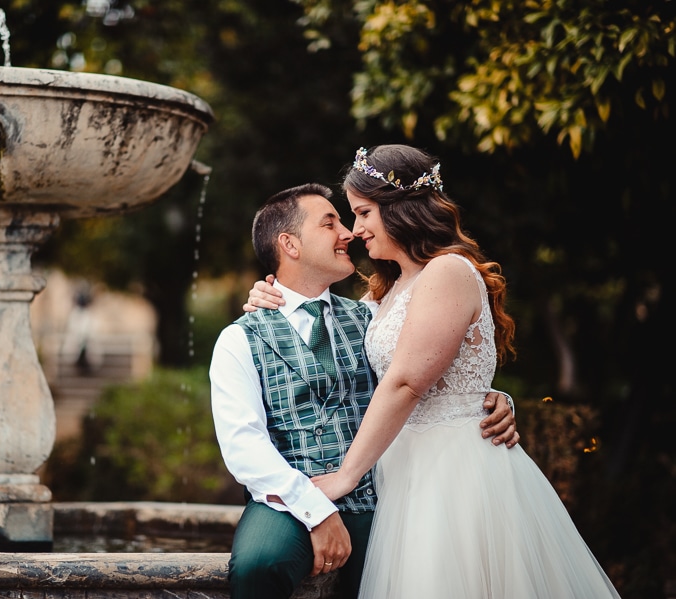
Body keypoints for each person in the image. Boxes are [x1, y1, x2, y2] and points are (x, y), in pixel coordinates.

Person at [249, 145, 620, 598]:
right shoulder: (386, 291)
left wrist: (345, 477)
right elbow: (347, 332)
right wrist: (270, 296)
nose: (356, 230)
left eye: (363, 213)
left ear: (400, 209)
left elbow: (407, 380)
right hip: (402, 469)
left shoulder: (447, 270)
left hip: (454, 469)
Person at [210, 183, 519, 599]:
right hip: (295, 492)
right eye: (330, 223)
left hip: (385, 492)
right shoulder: (239, 340)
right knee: (259, 564)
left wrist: (488, 396)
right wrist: (315, 511)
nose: (349, 233)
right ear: (290, 244)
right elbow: (243, 446)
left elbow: (428, 365)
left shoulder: (375, 316)